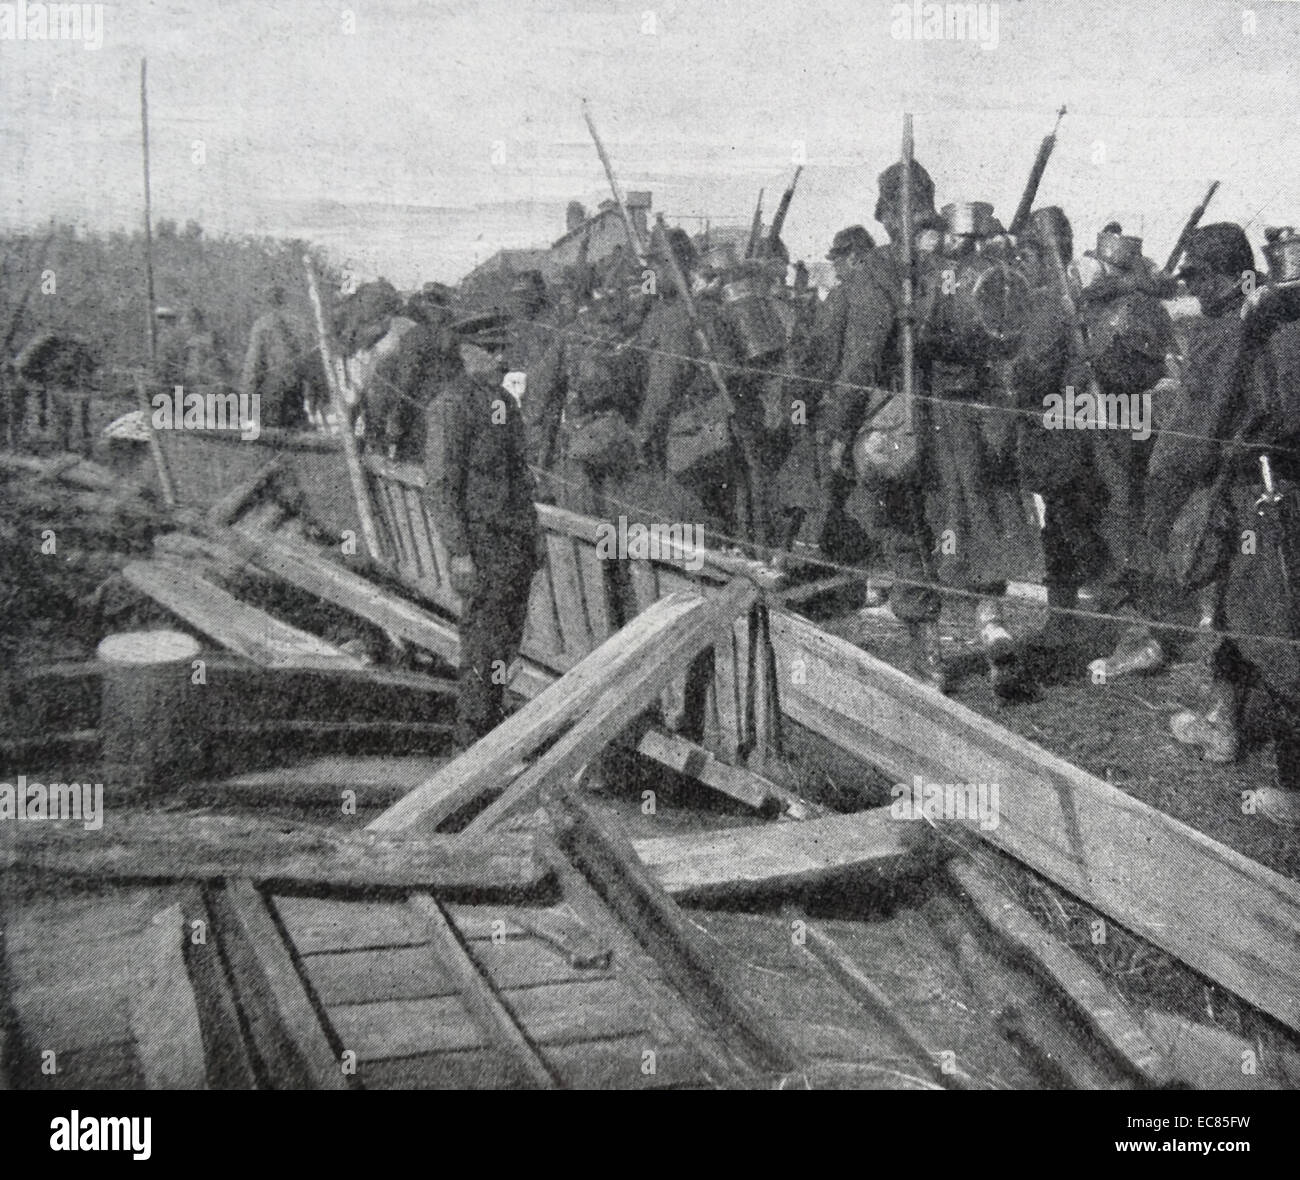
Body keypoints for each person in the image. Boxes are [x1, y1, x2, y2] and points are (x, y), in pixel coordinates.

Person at [1146, 223, 1300, 826]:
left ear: (1240, 275)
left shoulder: (1231, 332)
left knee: (1276, 629)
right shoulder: (1281, 322)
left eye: (1205, 278)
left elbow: (1192, 439)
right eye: (1191, 279)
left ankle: (1295, 784)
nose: (1198, 290)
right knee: (1242, 614)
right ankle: (1225, 723)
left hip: (1259, 493)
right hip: (1277, 487)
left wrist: (1161, 490)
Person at [423, 342, 542, 749]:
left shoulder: (504, 403)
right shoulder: (450, 406)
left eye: (501, 348)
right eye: (489, 350)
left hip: (514, 543)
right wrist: (459, 551)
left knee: (506, 641)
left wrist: (533, 536)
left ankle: (489, 728)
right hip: (482, 544)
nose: (500, 358)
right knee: (483, 642)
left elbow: (519, 476)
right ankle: (471, 741)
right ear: (465, 353)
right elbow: (440, 485)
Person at [241, 285, 308, 429]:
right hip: (295, 386)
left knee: (271, 432)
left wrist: (247, 390)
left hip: (272, 386)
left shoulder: (262, 325)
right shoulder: (297, 323)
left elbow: (253, 361)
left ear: (266, 302)